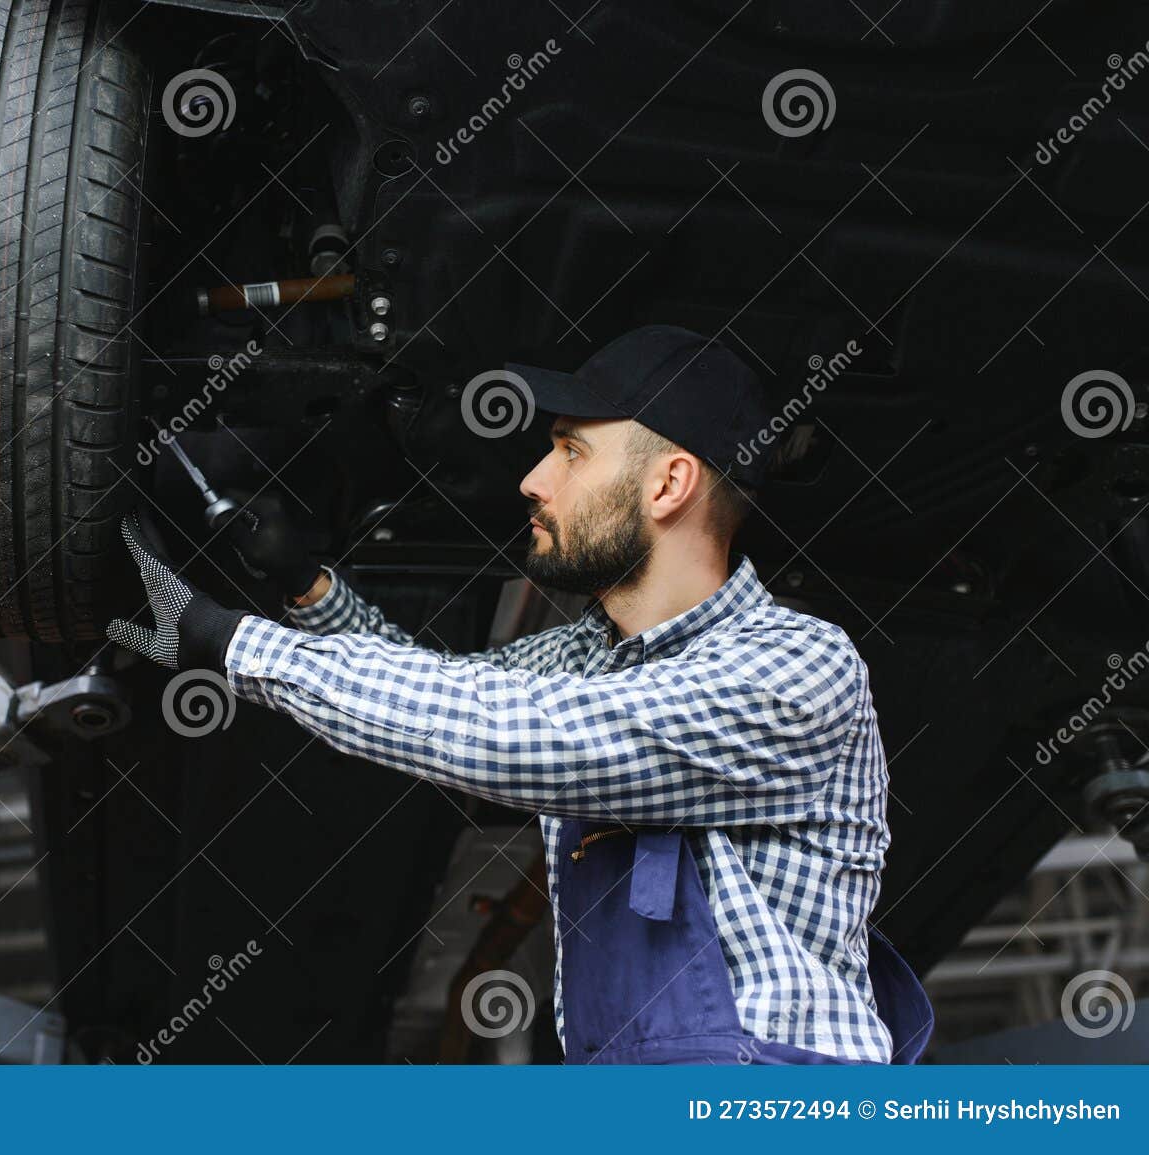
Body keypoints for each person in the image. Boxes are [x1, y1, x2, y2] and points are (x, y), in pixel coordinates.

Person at [106, 324, 932, 1065]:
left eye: (571, 450)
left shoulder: (796, 666)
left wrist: (229, 641)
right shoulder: (581, 660)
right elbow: (443, 705)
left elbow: (517, 736)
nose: (534, 479)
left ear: (669, 484)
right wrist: (308, 586)